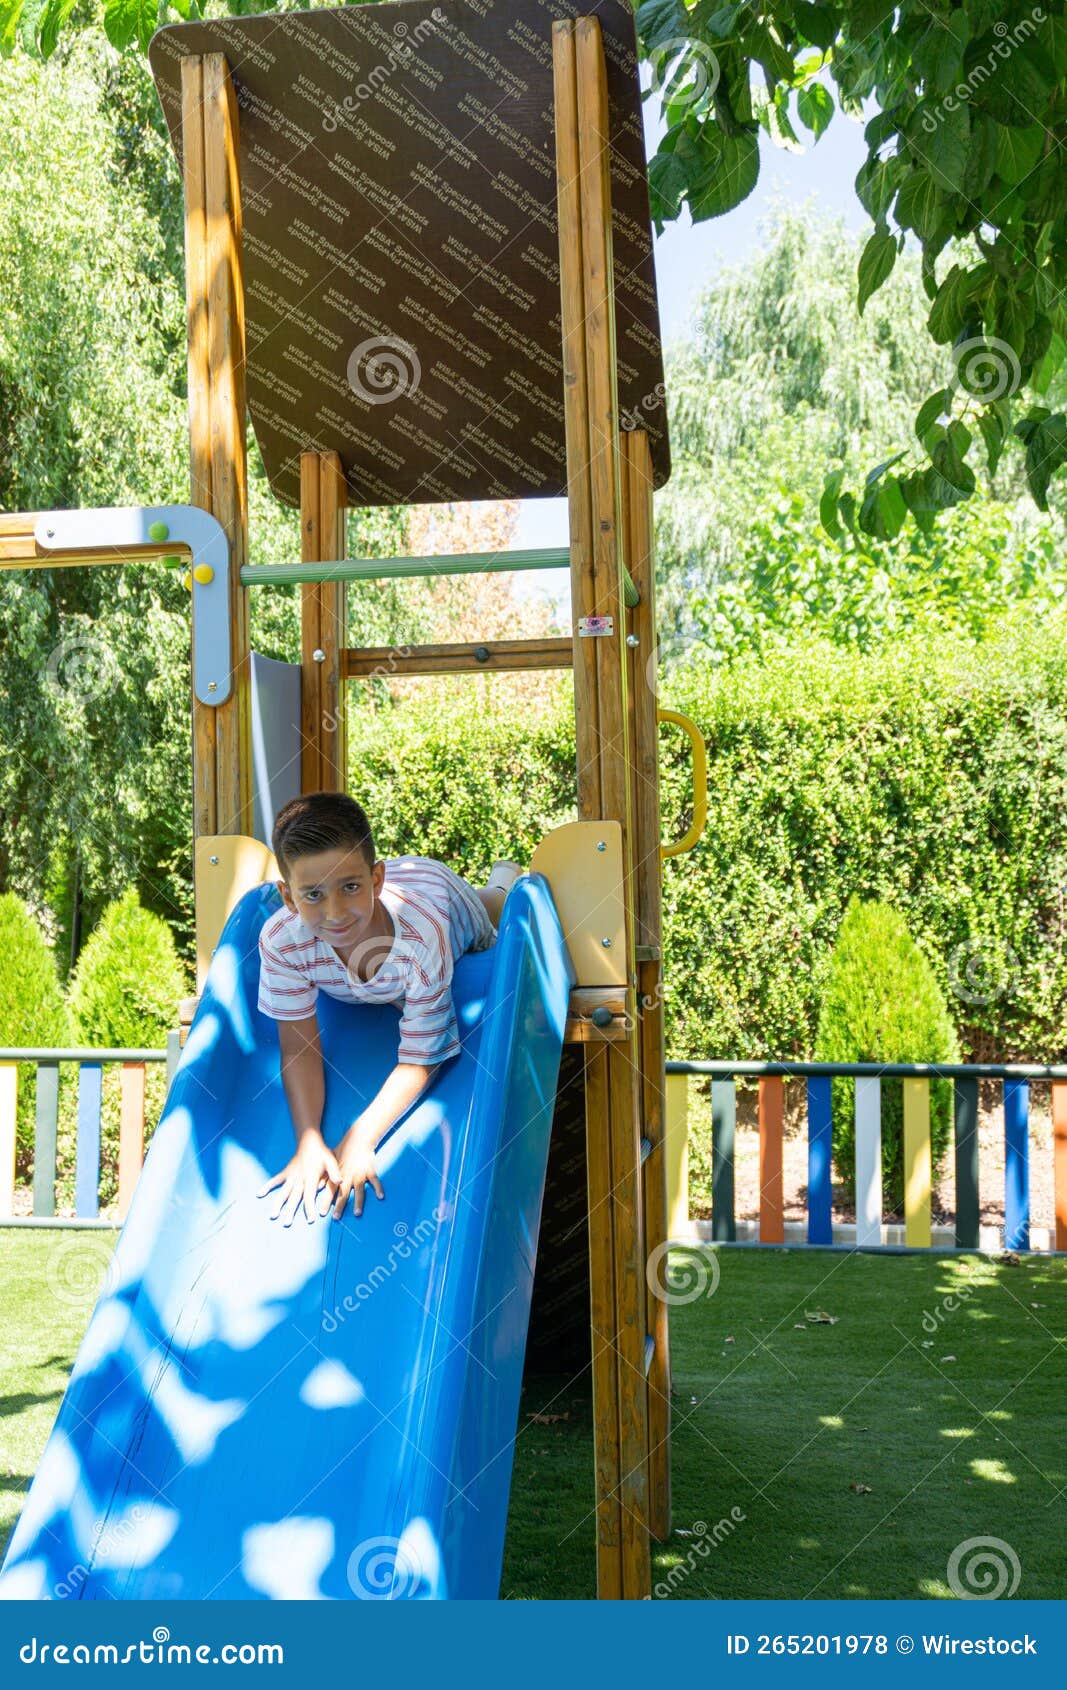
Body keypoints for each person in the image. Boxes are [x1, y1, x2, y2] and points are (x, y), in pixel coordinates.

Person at [255, 791, 521, 1227]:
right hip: (395, 919)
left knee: (490, 915)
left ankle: (501, 883)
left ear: (376, 880)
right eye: (314, 895)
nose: (335, 911)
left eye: (350, 887)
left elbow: (423, 1055)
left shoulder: (423, 935)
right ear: (287, 897)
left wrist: (362, 1136)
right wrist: (309, 1139)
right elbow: (298, 1047)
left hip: (438, 892)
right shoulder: (282, 941)